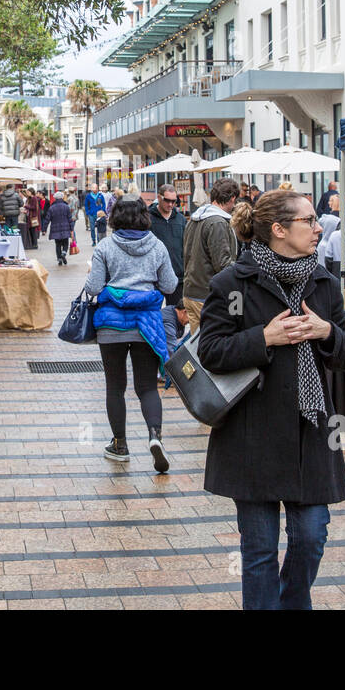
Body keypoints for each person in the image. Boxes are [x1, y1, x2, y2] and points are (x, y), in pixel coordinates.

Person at [198, 190, 345, 610]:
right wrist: (261, 338)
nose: (319, 228)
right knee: (260, 549)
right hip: (252, 436)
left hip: (311, 433)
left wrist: (327, 333)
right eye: (309, 221)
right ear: (279, 230)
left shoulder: (324, 283)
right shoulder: (232, 284)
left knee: (311, 536)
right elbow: (210, 350)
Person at [83, 196, 178, 472]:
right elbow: (170, 285)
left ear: (115, 219)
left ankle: (120, 444)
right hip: (146, 325)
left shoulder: (105, 246)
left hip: (111, 326)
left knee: (115, 386)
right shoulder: (157, 246)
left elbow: (93, 288)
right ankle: (154, 437)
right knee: (147, 387)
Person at [182, 177, 240, 333]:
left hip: (191, 290)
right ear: (232, 198)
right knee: (213, 345)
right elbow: (223, 264)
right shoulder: (218, 222)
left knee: (198, 348)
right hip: (207, 293)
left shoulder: (195, 218)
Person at [149, 183, 187, 305]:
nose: (170, 204)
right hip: (154, 277)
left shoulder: (181, 220)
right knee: (152, 316)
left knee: (177, 317)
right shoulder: (148, 218)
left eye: (173, 201)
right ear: (159, 198)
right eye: (167, 200)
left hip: (177, 276)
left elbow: (186, 247)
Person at [46, 190, 75, 265]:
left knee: (58, 244)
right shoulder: (66, 207)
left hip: (55, 229)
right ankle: (64, 253)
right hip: (65, 228)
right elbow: (70, 219)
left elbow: (47, 219)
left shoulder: (51, 208)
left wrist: (44, 229)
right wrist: (71, 228)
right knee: (65, 243)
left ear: (55, 198)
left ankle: (59, 259)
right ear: (62, 198)